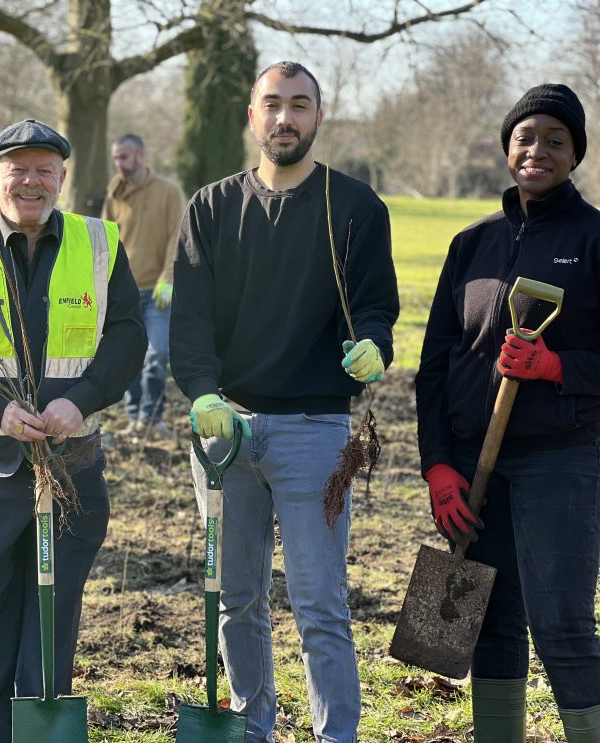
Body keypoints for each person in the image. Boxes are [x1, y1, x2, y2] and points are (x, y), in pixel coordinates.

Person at [170, 61, 399, 742]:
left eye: (300, 105)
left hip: (315, 431)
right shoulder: (211, 208)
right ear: (252, 116)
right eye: (272, 104)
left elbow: (374, 304)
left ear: (318, 118)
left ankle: (337, 735)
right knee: (237, 599)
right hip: (226, 430)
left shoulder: (355, 207)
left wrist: (374, 343)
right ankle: (251, 725)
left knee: (319, 602)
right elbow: (191, 318)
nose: (285, 118)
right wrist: (203, 389)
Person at [0, 119, 146, 742]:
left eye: (45, 170)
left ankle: (41, 732)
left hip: (72, 461)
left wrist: (83, 400)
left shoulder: (100, 244)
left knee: (52, 615)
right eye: (19, 169)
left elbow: (127, 336)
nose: (32, 181)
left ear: (62, 178)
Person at [416, 84, 600, 742]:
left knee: (562, 624)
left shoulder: (593, 238)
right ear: (507, 146)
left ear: (575, 152)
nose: (537, 150)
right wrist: (438, 465)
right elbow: (434, 363)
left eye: (556, 139)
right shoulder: (472, 244)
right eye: (525, 137)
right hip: (472, 462)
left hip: (562, 458)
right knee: (487, 622)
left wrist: (557, 366)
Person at [102, 133, 185, 439]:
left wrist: (168, 278)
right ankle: (136, 418)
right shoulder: (116, 194)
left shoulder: (169, 191)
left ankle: (154, 418)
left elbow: (178, 236)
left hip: (157, 291)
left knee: (158, 353)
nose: (119, 163)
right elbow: (106, 242)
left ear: (141, 156)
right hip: (123, 294)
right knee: (129, 358)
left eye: (124, 156)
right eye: (115, 158)